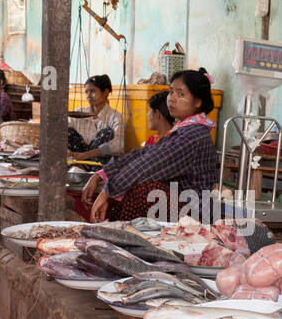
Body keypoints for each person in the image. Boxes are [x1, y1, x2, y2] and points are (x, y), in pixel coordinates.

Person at [82, 68, 218, 222]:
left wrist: (107, 191)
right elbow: (143, 154)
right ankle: (116, 230)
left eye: (180, 94)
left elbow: (148, 165)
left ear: (198, 102)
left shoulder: (193, 136)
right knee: (130, 183)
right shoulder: (183, 130)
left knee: (141, 188)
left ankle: (122, 234)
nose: (171, 98)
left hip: (195, 215)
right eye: (171, 91)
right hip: (182, 206)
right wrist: (102, 174)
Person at [68, 74, 125, 160]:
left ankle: (88, 166)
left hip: (98, 163)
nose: (88, 96)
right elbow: (60, 132)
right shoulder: (77, 114)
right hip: (77, 160)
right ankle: (81, 165)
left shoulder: (115, 117)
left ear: (105, 92)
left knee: (107, 133)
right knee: (66, 131)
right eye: (86, 92)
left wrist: (87, 155)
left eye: (93, 91)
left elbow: (119, 145)